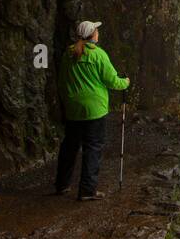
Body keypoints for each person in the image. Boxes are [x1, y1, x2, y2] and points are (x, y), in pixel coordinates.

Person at [55, 20, 130, 200]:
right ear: (93, 35)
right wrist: (125, 83)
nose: (98, 32)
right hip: (94, 110)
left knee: (70, 147)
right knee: (93, 147)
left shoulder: (68, 54)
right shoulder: (98, 55)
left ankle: (62, 184)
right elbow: (112, 81)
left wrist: (66, 102)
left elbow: (62, 81)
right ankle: (87, 190)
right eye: (97, 30)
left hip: (73, 108)